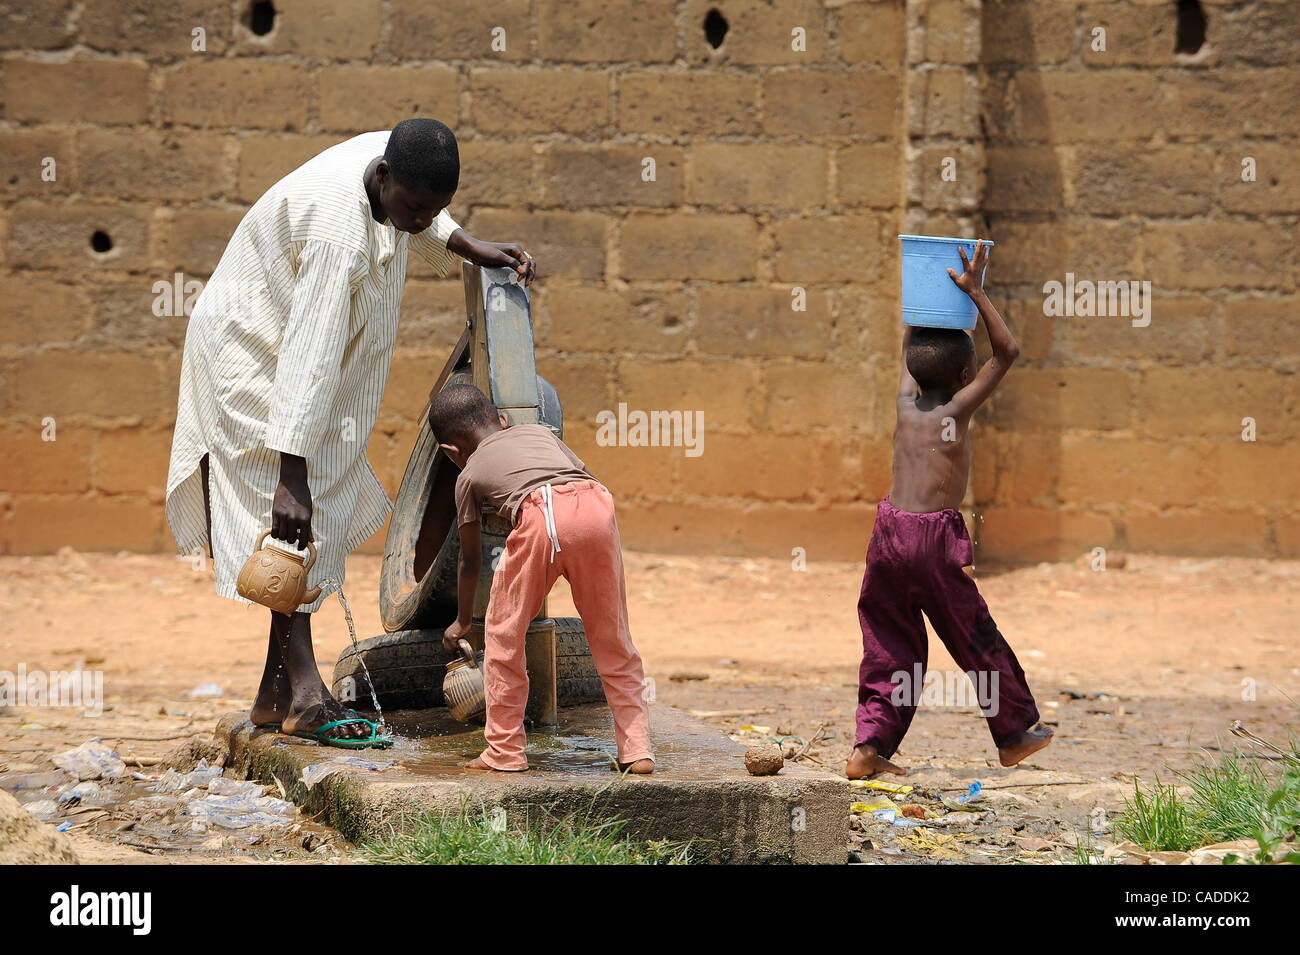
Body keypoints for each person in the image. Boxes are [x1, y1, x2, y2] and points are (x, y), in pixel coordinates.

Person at [164, 119, 536, 747]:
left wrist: (465, 243)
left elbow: (426, 213)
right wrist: (291, 477)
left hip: (292, 355)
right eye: (415, 209)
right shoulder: (338, 234)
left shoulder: (390, 157)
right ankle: (307, 694)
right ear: (385, 179)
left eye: (435, 210)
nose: (422, 222)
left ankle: (274, 693)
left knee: (314, 507)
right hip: (255, 355)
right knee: (289, 522)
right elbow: (308, 358)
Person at [848, 240, 1053, 778]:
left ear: (913, 374)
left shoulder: (902, 403)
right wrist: (976, 293)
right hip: (933, 541)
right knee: (972, 634)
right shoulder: (959, 409)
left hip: (888, 532)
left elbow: (909, 342)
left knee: (889, 641)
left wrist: (922, 298)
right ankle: (1013, 734)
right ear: (965, 377)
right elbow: (1007, 352)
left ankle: (868, 748)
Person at [428, 384, 654, 773]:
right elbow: (577, 476)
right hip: (596, 506)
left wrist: (463, 621)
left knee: (504, 635)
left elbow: (470, 559)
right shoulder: (539, 433)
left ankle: (505, 751)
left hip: (541, 516)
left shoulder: (468, 475)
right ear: (502, 419)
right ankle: (637, 750)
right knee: (612, 635)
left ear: (451, 452)